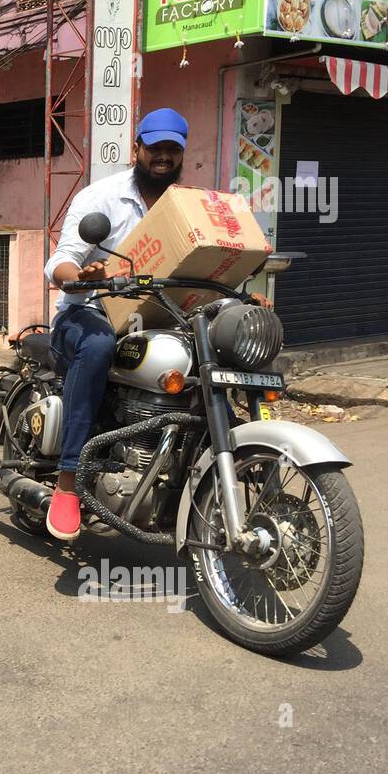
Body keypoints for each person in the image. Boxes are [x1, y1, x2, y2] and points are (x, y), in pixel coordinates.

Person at [43, 108, 269, 541]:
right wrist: (83, 275)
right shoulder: (101, 197)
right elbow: (61, 260)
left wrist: (239, 294)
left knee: (231, 343)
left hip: (165, 313)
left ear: (182, 153)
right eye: (155, 147)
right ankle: (68, 480)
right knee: (98, 346)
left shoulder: (189, 207)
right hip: (90, 311)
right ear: (137, 148)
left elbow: (205, 269)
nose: (163, 156)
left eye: (172, 149)